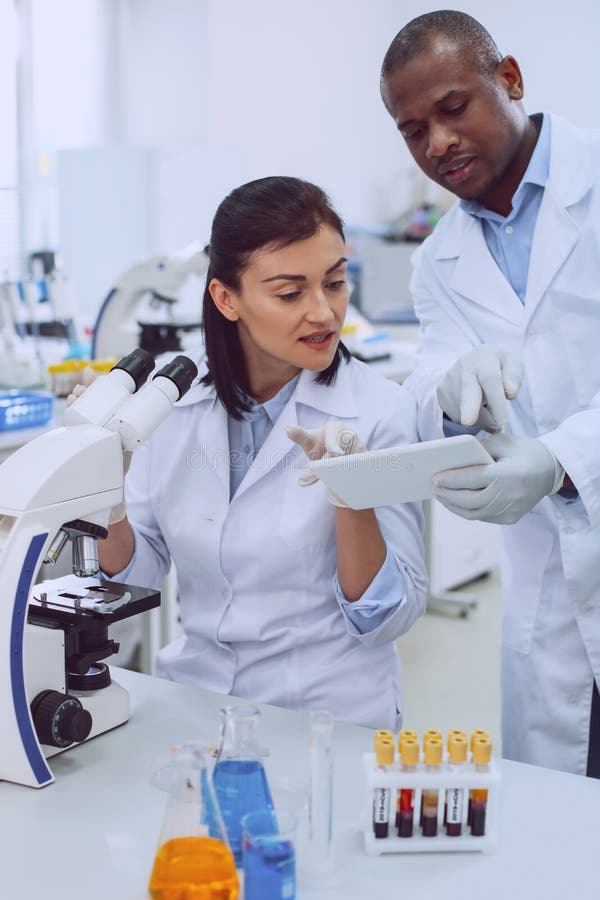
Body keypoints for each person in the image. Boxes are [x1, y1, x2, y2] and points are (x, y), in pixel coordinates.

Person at [86, 176, 426, 729]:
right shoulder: (168, 401)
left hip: (327, 718)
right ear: (226, 298)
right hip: (195, 708)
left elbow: (390, 617)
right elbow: (138, 578)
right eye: (291, 294)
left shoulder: (380, 411)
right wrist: (108, 499)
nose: (323, 312)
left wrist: (352, 496)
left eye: (335, 283)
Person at [380, 10, 600, 776]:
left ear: (508, 79)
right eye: (412, 130)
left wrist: (561, 458)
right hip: (550, 588)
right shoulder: (438, 262)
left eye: (451, 108)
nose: (436, 143)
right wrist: (448, 393)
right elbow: (434, 374)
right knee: (570, 822)